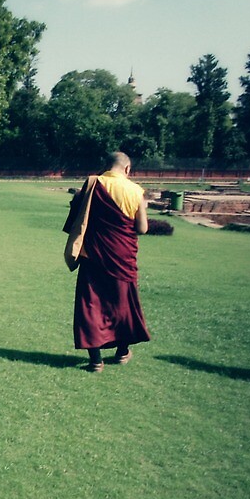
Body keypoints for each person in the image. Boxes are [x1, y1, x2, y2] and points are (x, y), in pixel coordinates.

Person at [64, 151, 150, 372]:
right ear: (128, 169)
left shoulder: (94, 183)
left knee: (91, 305)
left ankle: (95, 360)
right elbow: (142, 228)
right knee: (123, 305)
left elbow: (78, 215)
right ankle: (122, 352)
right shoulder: (136, 191)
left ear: (106, 166)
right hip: (123, 257)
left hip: (93, 255)